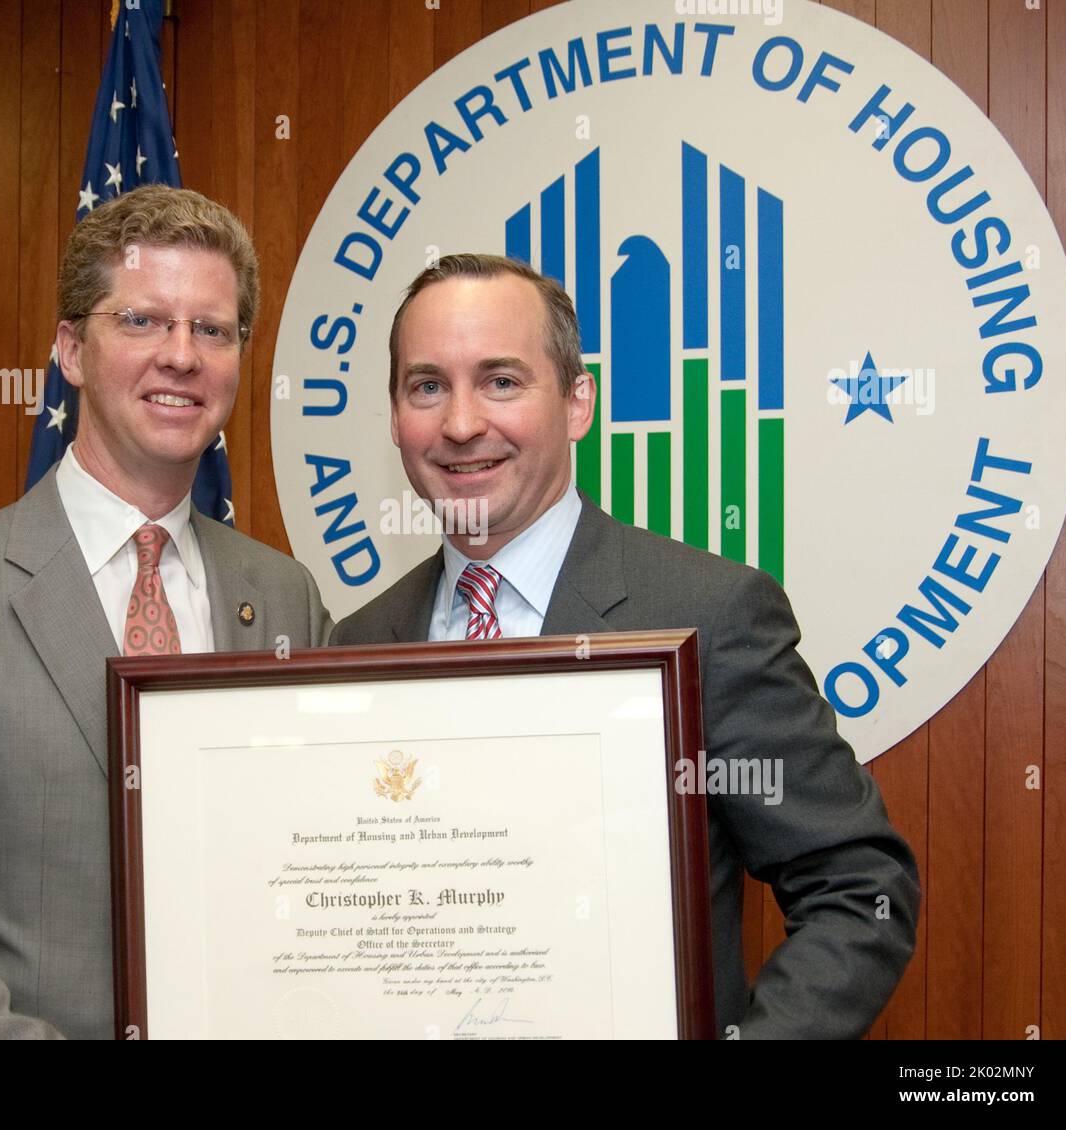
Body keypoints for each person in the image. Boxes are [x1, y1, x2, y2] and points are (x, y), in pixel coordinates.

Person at [330, 253, 920, 1039]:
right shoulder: (359, 642)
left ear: (579, 402)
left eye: (501, 381)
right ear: (396, 415)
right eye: (427, 386)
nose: (461, 423)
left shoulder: (708, 615)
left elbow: (858, 887)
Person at [0, 185, 331, 1039]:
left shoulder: (286, 596)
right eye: (141, 322)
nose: (181, 356)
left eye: (212, 329)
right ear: (71, 350)